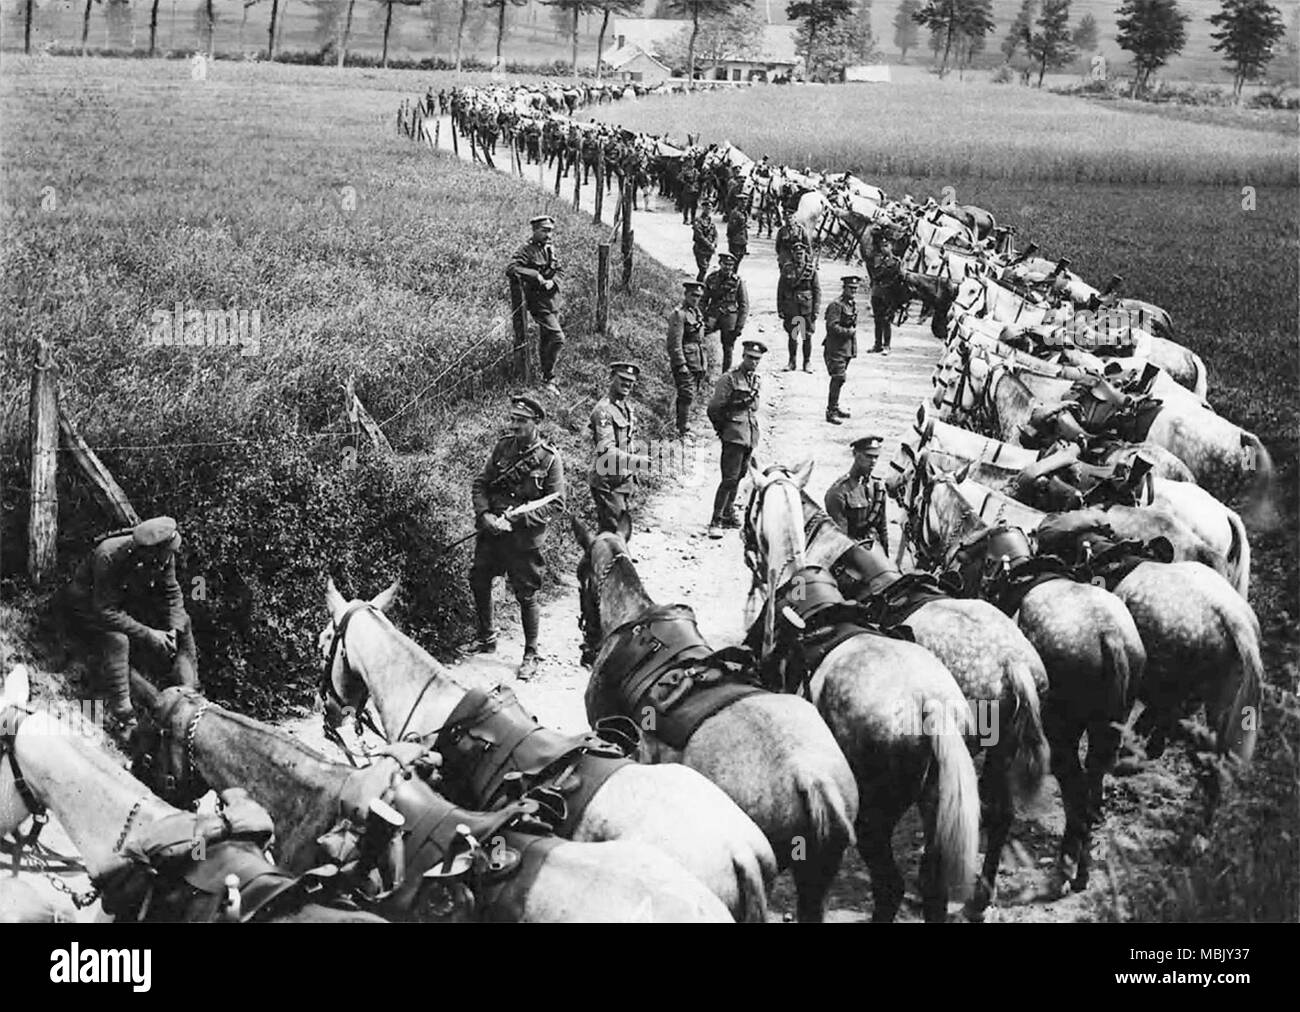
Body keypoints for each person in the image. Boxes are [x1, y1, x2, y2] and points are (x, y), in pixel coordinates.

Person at [62, 516, 199, 739]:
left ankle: (190, 694)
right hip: (87, 610)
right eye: (166, 553)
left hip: (125, 605)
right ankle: (125, 717)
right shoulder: (108, 555)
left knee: (183, 620)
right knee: (118, 641)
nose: (170, 557)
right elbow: (104, 611)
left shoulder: (162, 556)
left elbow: (173, 593)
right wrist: (149, 634)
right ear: (149, 551)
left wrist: (173, 630)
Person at [462, 395, 566, 681]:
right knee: (479, 579)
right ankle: (486, 637)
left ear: (536, 423)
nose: (515, 425)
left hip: (523, 540)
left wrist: (519, 519)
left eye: (521, 421)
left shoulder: (549, 458)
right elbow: (481, 483)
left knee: (526, 593)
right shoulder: (502, 447)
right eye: (513, 420)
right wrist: (484, 516)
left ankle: (531, 653)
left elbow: (556, 503)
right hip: (492, 533)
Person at [706, 339, 766, 539]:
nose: (754, 362)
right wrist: (722, 429)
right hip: (733, 436)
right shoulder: (729, 379)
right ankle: (715, 520)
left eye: (757, 359)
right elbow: (714, 408)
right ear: (743, 356)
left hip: (749, 435)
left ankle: (728, 512)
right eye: (750, 357)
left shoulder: (755, 380)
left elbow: (753, 409)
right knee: (729, 478)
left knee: (740, 476)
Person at [588, 362, 650, 541]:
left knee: (616, 532)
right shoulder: (603, 411)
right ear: (611, 378)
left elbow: (627, 442)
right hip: (607, 481)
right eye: (622, 379)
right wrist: (637, 461)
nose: (627, 384)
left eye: (631, 381)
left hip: (622, 480)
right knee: (614, 533)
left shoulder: (625, 408)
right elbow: (607, 451)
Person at [506, 215, 566, 394]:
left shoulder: (550, 249)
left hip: (553, 301)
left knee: (547, 339)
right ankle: (548, 376)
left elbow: (560, 271)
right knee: (557, 338)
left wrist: (553, 282)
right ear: (535, 230)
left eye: (550, 231)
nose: (549, 235)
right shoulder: (526, 250)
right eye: (544, 230)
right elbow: (512, 268)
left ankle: (547, 377)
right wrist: (536, 276)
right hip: (538, 303)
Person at [824, 435, 890, 554]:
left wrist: (886, 557)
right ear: (855, 454)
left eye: (876, 457)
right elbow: (840, 540)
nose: (873, 461)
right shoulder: (838, 492)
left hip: (876, 551)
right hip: (853, 555)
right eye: (868, 456)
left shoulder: (878, 488)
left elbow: (882, 529)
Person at [666, 280, 708, 439]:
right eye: (693, 295)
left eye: (698, 296)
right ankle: (682, 429)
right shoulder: (679, 314)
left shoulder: (696, 312)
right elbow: (674, 342)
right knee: (686, 394)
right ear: (686, 295)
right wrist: (680, 364)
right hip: (685, 362)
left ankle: (684, 423)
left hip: (697, 360)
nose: (696, 299)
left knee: (691, 394)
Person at [701, 252, 749, 374]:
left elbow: (744, 305)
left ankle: (725, 374)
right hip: (712, 314)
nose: (728, 267)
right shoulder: (711, 278)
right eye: (725, 264)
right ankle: (702, 369)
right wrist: (700, 316)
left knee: (728, 348)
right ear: (720, 264)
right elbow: (703, 300)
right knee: (699, 337)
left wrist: (739, 326)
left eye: (731, 265)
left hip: (729, 317)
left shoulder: (737, 281)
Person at [822, 275, 860, 425]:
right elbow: (831, 326)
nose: (853, 291)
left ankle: (835, 407)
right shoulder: (836, 305)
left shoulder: (852, 304)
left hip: (846, 348)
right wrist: (848, 332)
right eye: (850, 288)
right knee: (838, 378)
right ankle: (830, 412)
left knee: (840, 379)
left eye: (855, 289)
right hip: (835, 348)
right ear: (844, 288)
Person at [777, 248, 821, 372]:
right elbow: (781, 289)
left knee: (807, 336)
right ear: (793, 255)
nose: (799, 256)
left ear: (805, 255)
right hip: (792, 308)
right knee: (793, 336)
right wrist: (780, 308)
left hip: (806, 308)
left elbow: (817, 291)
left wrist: (816, 309)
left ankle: (807, 362)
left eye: (801, 254)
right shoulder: (787, 269)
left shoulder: (811, 270)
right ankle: (792, 362)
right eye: (797, 254)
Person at [868, 232, 902, 355]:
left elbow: (896, 279)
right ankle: (877, 344)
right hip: (877, 293)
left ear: (891, 246)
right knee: (877, 320)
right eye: (882, 246)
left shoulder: (896, 262)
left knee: (886, 320)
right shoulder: (877, 259)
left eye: (887, 245)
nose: (884, 248)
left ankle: (887, 346)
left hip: (888, 295)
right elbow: (875, 274)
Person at [692, 197, 717, 282]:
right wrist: (710, 245)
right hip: (700, 248)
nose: (708, 210)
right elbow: (699, 236)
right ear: (703, 208)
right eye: (706, 208)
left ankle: (701, 283)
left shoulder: (710, 220)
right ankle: (699, 284)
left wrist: (715, 242)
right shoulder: (698, 220)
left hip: (708, 249)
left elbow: (715, 233)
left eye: (710, 208)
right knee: (703, 269)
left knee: (705, 267)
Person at [726, 202, 749, 267]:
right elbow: (731, 227)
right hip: (736, 239)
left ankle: (734, 273)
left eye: (745, 202)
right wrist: (730, 239)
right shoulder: (735, 213)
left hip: (743, 239)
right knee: (734, 259)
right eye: (742, 202)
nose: (744, 203)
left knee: (739, 259)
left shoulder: (744, 212)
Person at [679, 157, 700, 224]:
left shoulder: (696, 171)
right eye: (691, 162)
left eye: (693, 162)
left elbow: (699, 179)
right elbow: (679, 178)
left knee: (694, 206)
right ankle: (685, 219)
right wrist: (685, 183)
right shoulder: (685, 171)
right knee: (686, 206)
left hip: (695, 190)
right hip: (687, 190)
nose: (692, 164)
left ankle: (693, 219)